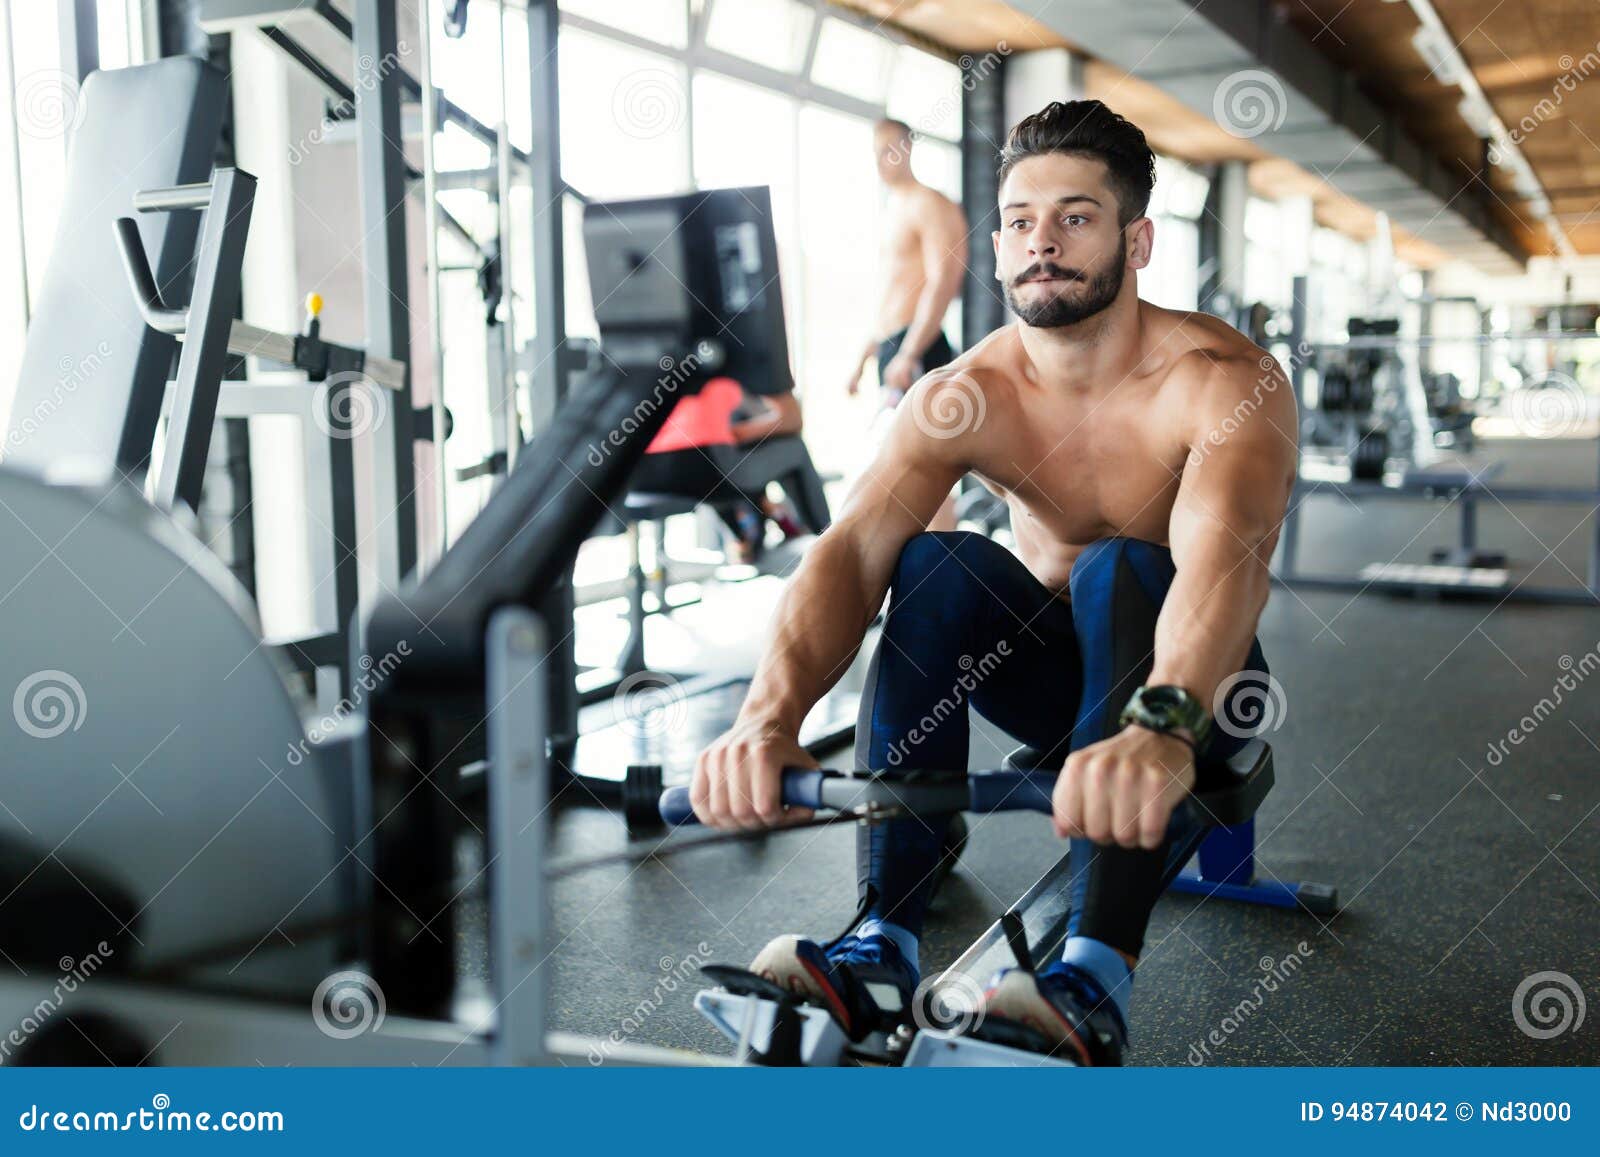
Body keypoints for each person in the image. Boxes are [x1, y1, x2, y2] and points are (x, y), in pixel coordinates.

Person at [691, 100, 1298, 1065]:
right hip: (1066, 702)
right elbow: (848, 551)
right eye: (1019, 220)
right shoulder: (968, 393)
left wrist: (1164, 725)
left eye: (1075, 216)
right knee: (935, 560)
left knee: (1124, 564)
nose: (1040, 243)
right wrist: (768, 718)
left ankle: (1089, 982)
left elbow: (1225, 560)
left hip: (1202, 699)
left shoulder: (1221, 379)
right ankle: (877, 945)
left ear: (1136, 241)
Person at [843, 118, 968, 531]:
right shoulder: (893, 208)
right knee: (897, 472)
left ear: (907, 149)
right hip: (894, 346)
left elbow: (943, 280)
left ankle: (940, 577)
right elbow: (893, 290)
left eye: (888, 150)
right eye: (875, 152)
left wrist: (911, 352)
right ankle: (916, 576)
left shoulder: (929, 204)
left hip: (920, 347)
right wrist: (866, 353)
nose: (881, 161)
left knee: (927, 472)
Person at [630, 377, 831, 562]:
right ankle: (829, 541)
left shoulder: (645, 357)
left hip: (642, 474)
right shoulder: (728, 359)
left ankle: (744, 538)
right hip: (706, 468)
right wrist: (741, 432)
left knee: (730, 460)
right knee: (794, 448)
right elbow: (791, 421)